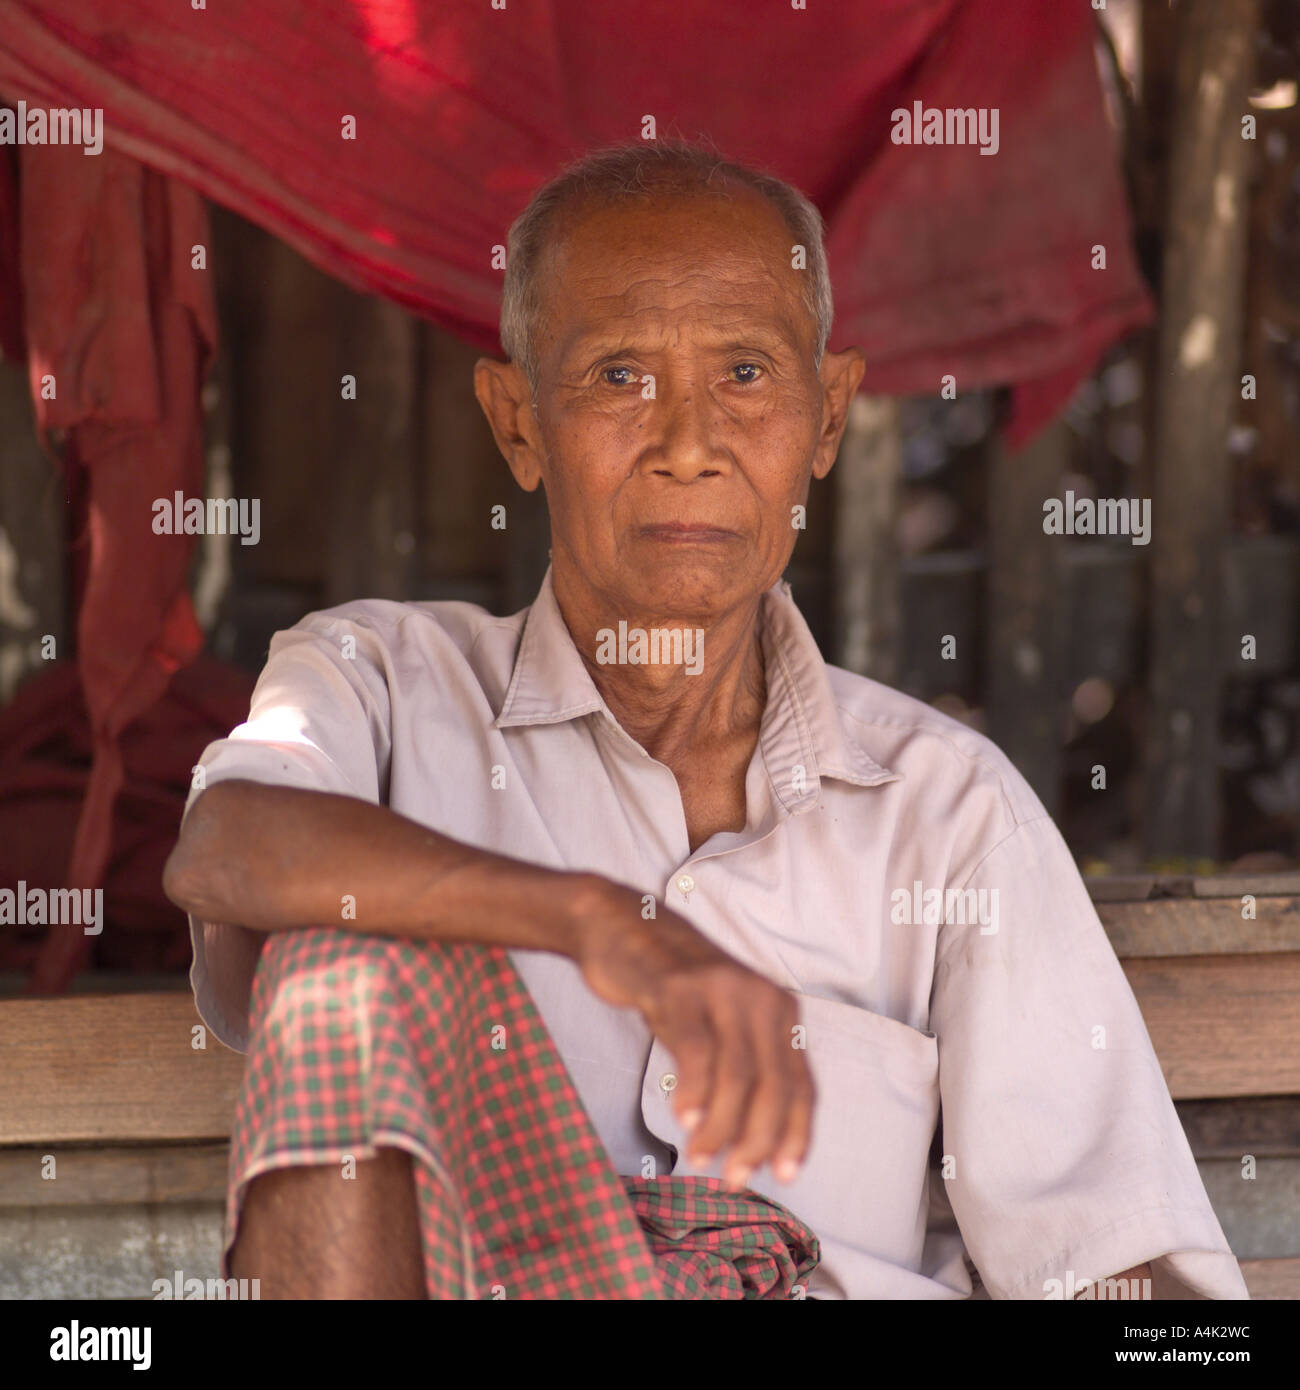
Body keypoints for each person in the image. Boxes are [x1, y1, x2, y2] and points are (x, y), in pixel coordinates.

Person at [163, 139, 1247, 1300]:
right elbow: (228, 842)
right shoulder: (380, 685)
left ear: (824, 419)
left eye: (743, 374)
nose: (688, 443)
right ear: (519, 423)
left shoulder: (947, 817)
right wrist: (598, 923)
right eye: (619, 377)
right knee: (340, 976)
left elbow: (1117, 1271)